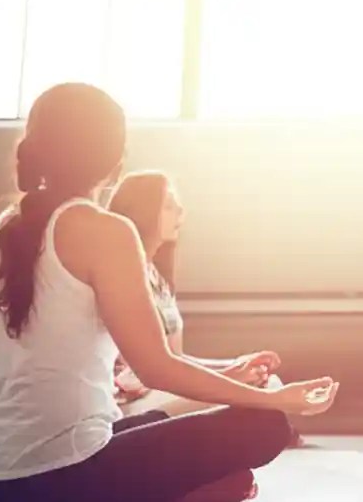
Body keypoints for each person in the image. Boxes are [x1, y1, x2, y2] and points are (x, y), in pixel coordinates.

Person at [0, 83, 336, 502]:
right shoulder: (106, 230)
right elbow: (156, 369)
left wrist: (229, 373)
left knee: (187, 435)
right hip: (57, 479)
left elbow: (151, 366)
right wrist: (272, 398)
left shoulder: (4, 227)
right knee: (266, 425)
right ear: (115, 160)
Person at [107, 171, 291, 433]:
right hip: (131, 399)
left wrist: (235, 364)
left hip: (160, 387)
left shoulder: (156, 277)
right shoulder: (121, 277)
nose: (180, 211)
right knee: (255, 399)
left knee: (267, 383)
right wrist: (229, 376)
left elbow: (176, 358)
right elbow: (148, 370)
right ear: (143, 211)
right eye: (168, 205)